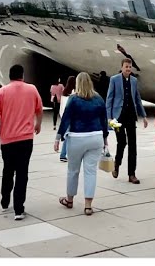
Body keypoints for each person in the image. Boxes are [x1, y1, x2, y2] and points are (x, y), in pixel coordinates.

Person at [0, 64, 43, 220]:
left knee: (8, 170)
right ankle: (19, 209)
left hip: (7, 140)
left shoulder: (2, 92)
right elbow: (39, 109)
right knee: (22, 173)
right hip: (25, 139)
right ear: (22, 75)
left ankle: (5, 201)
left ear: (9, 76)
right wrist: (38, 123)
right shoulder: (32, 89)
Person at [54, 71, 108, 216]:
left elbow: (65, 119)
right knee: (90, 172)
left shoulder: (74, 99)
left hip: (77, 137)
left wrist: (58, 138)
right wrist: (105, 139)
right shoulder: (99, 99)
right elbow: (104, 120)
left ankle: (69, 199)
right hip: (96, 137)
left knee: (73, 170)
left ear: (77, 84)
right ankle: (88, 205)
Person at [106, 58, 148, 184]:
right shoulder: (114, 79)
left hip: (130, 116)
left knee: (133, 145)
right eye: (126, 67)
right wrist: (108, 117)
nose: (128, 69)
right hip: (116, 118)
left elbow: (138, 99)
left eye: (130, 67)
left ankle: (132, 174)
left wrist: (144, 116)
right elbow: (109, 99)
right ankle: (116, 164)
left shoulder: (134, 81)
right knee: (122, 142)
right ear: (122, 67)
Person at [58, 75, 76, 162]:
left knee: (67, 135)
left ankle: (64, 154)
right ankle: (63, 154)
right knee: (68, 136)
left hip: (63, 116)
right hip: (70, 117)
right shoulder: (73, 93)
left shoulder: (64, 91)